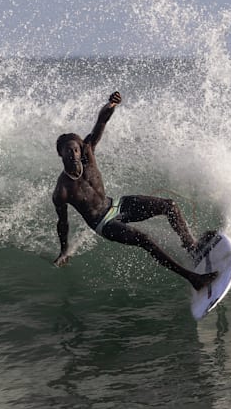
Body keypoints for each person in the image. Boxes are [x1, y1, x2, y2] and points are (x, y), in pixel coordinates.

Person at [52, 91, 217, 291]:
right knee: (145, 240)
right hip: (104, 223)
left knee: (169, 206)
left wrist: (111, 105)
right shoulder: (62, 190)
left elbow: (101, 123)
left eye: (76, 149)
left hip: (115, 204)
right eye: (68, 150)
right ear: (60, 153)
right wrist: (64, 251)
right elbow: (63, 222)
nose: (73, 153)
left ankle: (192, 247)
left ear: (81, 149)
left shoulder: (89, 153)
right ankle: (194, 279)